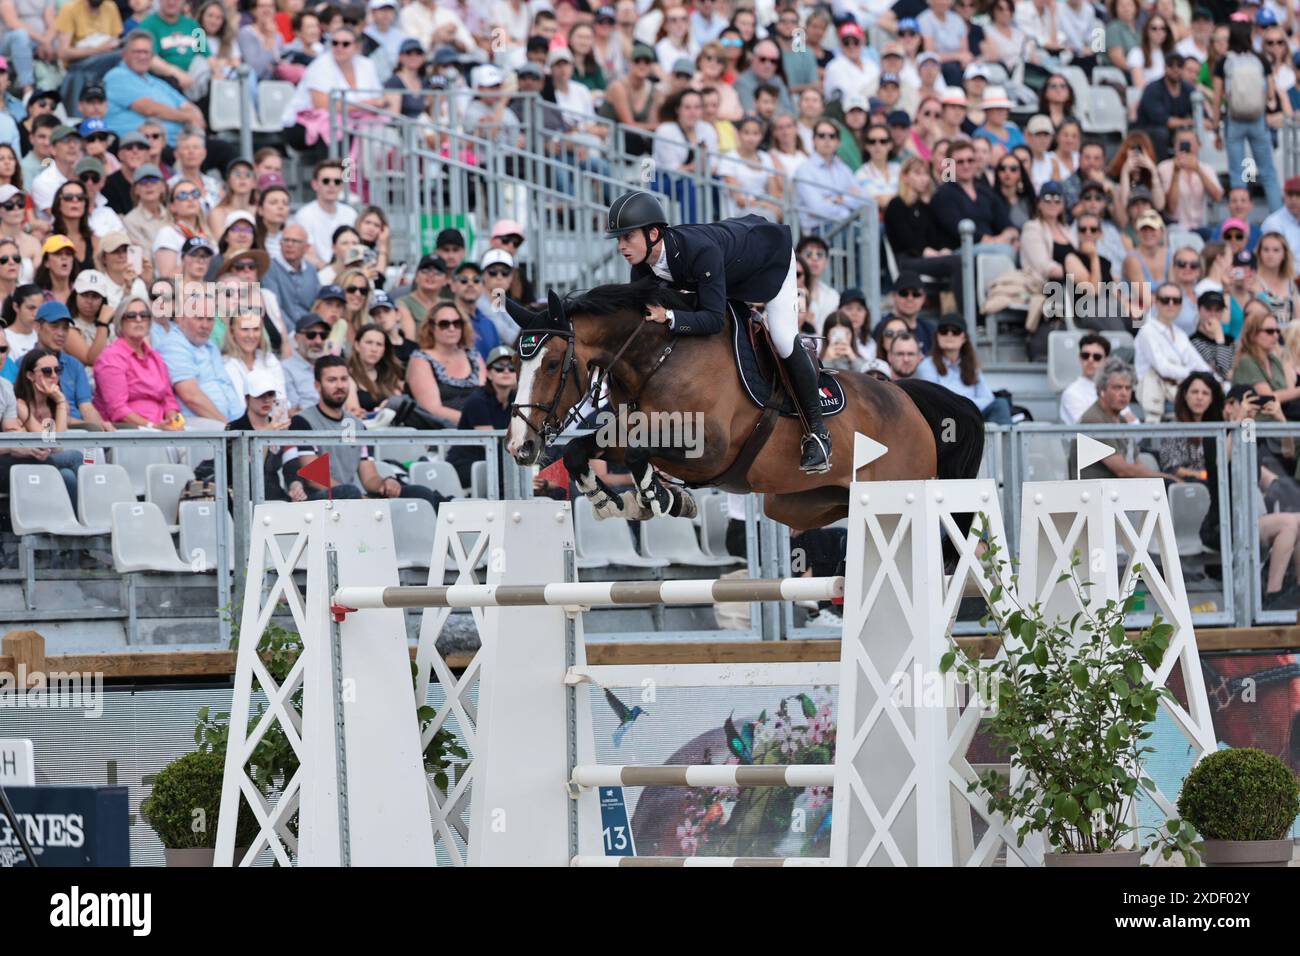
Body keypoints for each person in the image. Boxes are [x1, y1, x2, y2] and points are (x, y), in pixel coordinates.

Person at [605, 189, 831, 472]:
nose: (621, 247)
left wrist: (671, 316)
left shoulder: (699, 251)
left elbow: (712, 319)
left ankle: (818, 432)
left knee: (783, 339)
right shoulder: (642, 267)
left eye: (628, 237)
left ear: (652, 234)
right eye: (619, 239)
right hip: (728, 271)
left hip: (769, 262)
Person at [287, 356, 446, 509]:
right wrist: (359, 499)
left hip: (352, 496)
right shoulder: (303, 421)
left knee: (419, 493)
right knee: (349, 492)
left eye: (344, 379)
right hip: (319, 501)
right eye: (332, 380)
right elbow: (315, 479)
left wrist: (386, 482)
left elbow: (369, 478)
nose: (340, 386)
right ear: (317, 385)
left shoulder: (356, 425)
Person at [1210, 17, 1283, 213]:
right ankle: (1277, 217)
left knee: (1238, 174)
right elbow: (1270, 94)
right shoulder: (1260, 59)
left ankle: (1239, 221)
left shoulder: (1224, 61)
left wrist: (1216, 128)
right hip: (1257, 120)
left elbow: (1217, 99)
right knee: (1268, 172)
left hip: (1234, 120)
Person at [1072, 358, 1177, 481]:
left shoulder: (1121, 419)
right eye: (1117, 387)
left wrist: (1161, 478)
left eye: (1128, 388)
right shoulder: (1094, 420)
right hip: (1095, 493)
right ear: (1102, 390)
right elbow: (1122, 470)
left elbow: (1137, 463)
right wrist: (1167, 478)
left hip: (1117, 490)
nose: (1124, 393)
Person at [92, 295, 183, 428]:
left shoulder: (155, 357)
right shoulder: (111, 358)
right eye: (131, 315)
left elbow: (168, 399)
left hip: (161, 428)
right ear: (120, 322)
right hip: (129, 433)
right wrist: (153, 426)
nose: (139, 320)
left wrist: (172, 421)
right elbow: (118, 410)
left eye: (144, 315)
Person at [103, 29, 206, 147]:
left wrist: (193, 117)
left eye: (146, 52)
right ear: (124, 55)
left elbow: (189, 106)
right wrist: (187, 117)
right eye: (137, 52)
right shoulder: (117, 76)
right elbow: (150, 109)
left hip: (179, 144)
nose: (143, 56)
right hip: (140, 147)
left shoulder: (156, 82)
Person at [155, 292, 242, 426]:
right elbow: (191, 397)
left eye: (210, 319)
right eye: (199, 318)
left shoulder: (210, 345)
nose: (205, 325)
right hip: (198, 426)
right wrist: (231, 428)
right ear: (181, 318)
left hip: (227, 422)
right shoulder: (174, 345)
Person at [12, 347, 85, 498]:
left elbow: (57, 447)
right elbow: (49, 442)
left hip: (48, 461)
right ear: (30, 375)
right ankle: (93, 507)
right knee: (75, 457)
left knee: (67, 476)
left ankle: (80, 517)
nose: (53, 376)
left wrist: (59, 404)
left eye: (57, 370)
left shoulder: (50, 406)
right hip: (24, 463)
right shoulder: (20, 404)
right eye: (46, 371)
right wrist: (60, 403)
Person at [1134, 281, 1211, 421]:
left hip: (1179, 393)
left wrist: (1216, 381)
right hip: (1158, 398)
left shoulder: (1180, 333)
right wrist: (1194, 374)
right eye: (1165, 300)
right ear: (1156, 302)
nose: (1171, 304)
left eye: (1176, 300)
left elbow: (1198, 363)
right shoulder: (1147, 330)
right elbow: (1163, 368)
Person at [32, 300, 112, 430]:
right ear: (37, 326)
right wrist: (90, 427)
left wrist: (102, 427)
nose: (61, 333)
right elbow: (35, 413)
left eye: (65, 327)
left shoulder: (74, 364)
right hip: (49, 429)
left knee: (123, 432)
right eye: (54, 326)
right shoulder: (25, 364)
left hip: (80, 429)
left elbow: (86, 406)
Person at [444, 345, 517, 487]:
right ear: (489, 373)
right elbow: (490, 445)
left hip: (497, 463)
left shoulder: (517, 401)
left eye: (512, 367)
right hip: (468, 465)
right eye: (499, 367)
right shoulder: (477, 400)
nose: (506, 371)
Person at [406, 300, 484, 425]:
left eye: (457, 323)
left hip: (481, 430)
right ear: (432, 328)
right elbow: (432, 409)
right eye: (444, 324)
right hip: (440, 434)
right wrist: (475, 421)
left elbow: (486, 398)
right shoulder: (420, 359)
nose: (451, 328)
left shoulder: (474, 356)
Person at [932, 139, 1018, 249]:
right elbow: (958, 231)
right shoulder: (943, 195)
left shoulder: (985, 192)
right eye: (960, 162)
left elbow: (1007, 224)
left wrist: (1008, 236)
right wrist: (994, 241)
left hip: (994, 248)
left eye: (970, 160)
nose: (966, 165)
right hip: (961, 254)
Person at [225, 368, 291, 501]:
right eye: (260, 395)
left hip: (276, 495)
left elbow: (291, 463)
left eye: (270, 394)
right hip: (244, 498)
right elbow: (247, 472)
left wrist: (296, 484)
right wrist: (266, 434)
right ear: (247, 398)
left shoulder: (279, 426)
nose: (266, 400)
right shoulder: (234, 428)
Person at [794, 120, 867, 232]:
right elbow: (818, 208)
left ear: (838, 142)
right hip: (818, 231)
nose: (827, 140)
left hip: (846, 227)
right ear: (813, 140)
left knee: (874, 230)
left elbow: (864, 198)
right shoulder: (804, 170)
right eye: (822, 135)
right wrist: (847, 210)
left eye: (832, 136)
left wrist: (839, 199)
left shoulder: (843, 168)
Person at [293, 160, 356, 268]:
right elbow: (308, 253)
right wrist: (330, 272)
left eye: (337, 181)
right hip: (317, 273)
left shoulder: (351, 214)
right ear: (314, 184)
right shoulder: (304, 215)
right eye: (326, 181)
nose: (332, 185)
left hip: (348, 271)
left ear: (341, 186)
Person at [222, 309, 285, 405]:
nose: (251, 335)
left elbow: (281, 401)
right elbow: (239, 405)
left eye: (256, 329)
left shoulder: (270, 360)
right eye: (245, 329)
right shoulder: (225, 364)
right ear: (232, 331)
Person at [261, 224, 320, 325]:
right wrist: (292, 332)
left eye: (295, 241)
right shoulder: (270, 268)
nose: (289, 245)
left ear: (306, 247)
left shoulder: (311, 270)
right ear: (280, 244)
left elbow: (317, 304)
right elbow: (274, 308)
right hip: (283, 331)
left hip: (310, 331)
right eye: (286, 240)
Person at [450, 262, 501, 362]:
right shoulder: (445, 321)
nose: (470, 284)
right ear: (453, 286)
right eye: (464, 280)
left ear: (482, 286)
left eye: (476, 280)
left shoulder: (489, 324)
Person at [1059, 333, 1112, 425]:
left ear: (1106, 361)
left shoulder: (1115, 389)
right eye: (1085, 355)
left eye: (1097, 357)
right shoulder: (1072, 393)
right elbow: (1088, 428)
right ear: (1080, 358)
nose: (1090, 360)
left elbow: (1135, 428)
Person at [282, 312, 328, 413]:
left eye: (323, 335)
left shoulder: (330, 366)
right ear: (297, 338)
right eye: (311, 335)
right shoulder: (285, 369)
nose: (318, 341)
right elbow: (293, 412)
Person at [882, 270, 936, 355]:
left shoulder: (929, 329)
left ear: (923, 298)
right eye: (904, 293)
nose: (910, 299)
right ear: (894, 296)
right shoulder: (884, 327)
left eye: (916, 294)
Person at [397, 253, 447, 338]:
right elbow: (409, 341)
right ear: (416, 276)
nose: (431, 275)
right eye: (425, 270)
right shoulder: (403, 304)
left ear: (445, 280)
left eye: (437, 272)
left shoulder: (449, 305)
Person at [1189, 284, 1234, 379]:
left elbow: (1234, 374)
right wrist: (1219, 337)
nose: (1213, 314)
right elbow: (1222, 371)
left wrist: (1219, 336)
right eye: (1208, 309)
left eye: (1218, 310)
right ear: (1199, 309)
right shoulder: (1192, 341)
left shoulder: (1230, 340)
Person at [1260, 176, 1300, 263]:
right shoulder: (1273, 223)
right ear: (1284, 196)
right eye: (1290, 194)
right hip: (1285, 275)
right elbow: (1272, 261)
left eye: (1298, 195)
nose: (1293, 200)